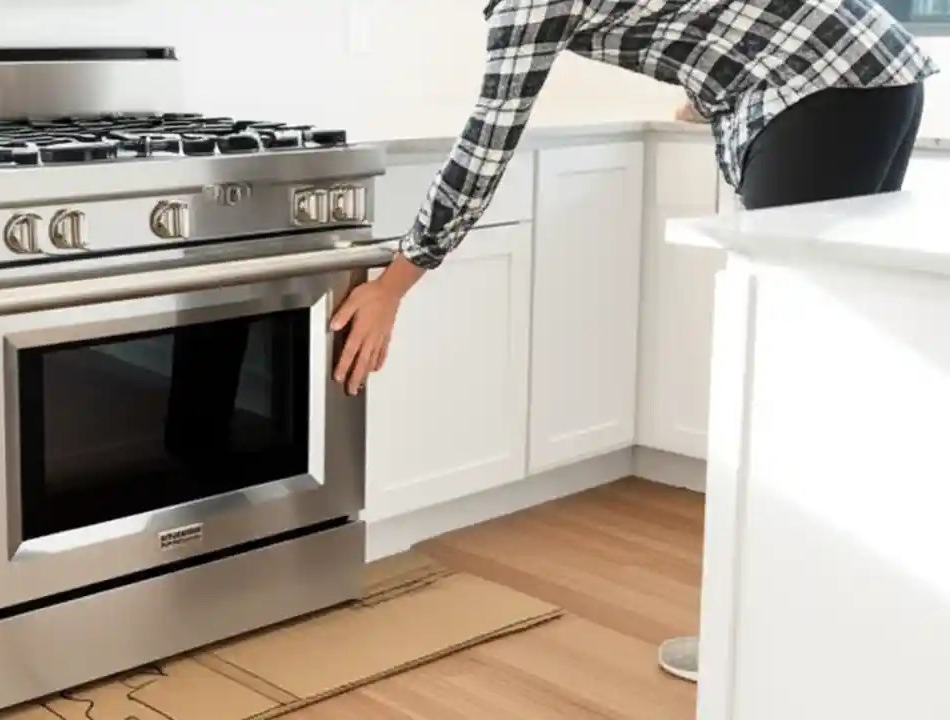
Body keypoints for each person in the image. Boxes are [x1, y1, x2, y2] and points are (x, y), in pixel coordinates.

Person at [329, 0, 938, 684]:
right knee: (819, 368)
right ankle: (835, 626)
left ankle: (762, 643)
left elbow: (485, 146)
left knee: (780, 384)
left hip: (821, 90)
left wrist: (394, 285)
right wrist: (708, 91)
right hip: (871, 74)